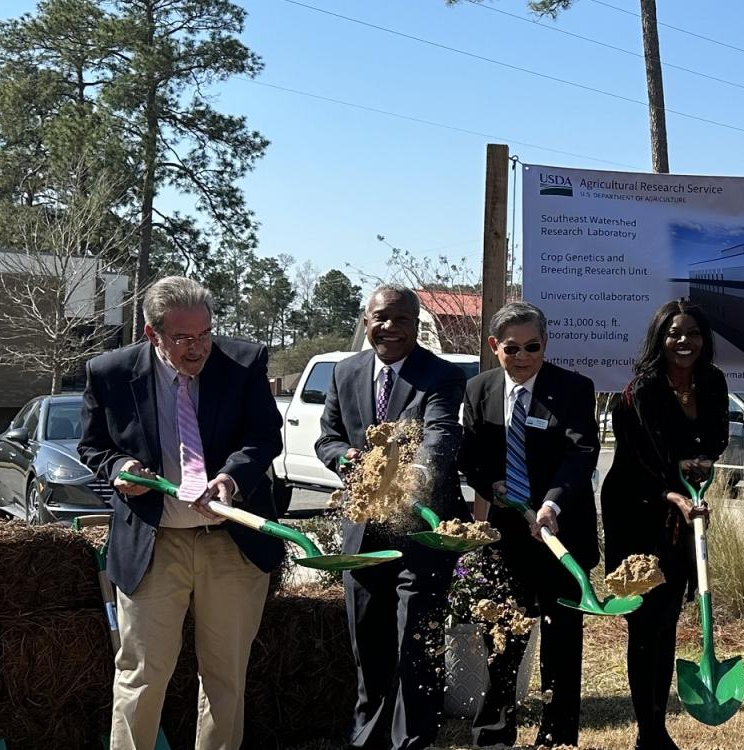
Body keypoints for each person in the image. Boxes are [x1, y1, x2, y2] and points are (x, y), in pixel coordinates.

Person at [76, 276, 284, 750]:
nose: (198, 349)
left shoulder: (243, 363)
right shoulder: (110, 372)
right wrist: (119, 468)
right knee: (142, 674)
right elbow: (93, 447)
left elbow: (263, 437)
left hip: (231, 546)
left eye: (205, 334)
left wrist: (230, 478)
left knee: (224, 675)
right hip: (154, 543)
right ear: (152, 334)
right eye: (183, 338)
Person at [315, 285, 468, 750]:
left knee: (416, 646)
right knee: (369, 644)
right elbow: (328, 439)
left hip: (420, 533)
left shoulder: (440, 376)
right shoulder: (345, 372)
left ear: (416, 324)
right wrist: (350, 462)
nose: (390, 327)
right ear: (366, 321)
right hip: (362, 535)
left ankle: (413, 741)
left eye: (402, 319)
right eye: (381, 317)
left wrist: (411, 474)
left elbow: (440, 435)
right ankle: (367, 739)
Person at [457, 301, 600, 747]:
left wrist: (552, 505)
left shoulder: (573, 388)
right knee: (502, 633)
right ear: (494, 346)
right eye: (512, 348)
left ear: (545, 344)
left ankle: (557, 735)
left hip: (560, 531)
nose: (522, 357)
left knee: (561, 639)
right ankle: (495, 730)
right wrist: (490, 482)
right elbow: (470, 458)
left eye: (532, 347)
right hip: (507, 537)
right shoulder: (479, 389)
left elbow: (581, 453)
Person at [602, 299, 729, 750]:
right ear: (660, 338)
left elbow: (716, 437)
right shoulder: (640, 393)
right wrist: (674, 492)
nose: (683, 341)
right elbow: (639, 464)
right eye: (674, 334)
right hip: (637, 511)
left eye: (692, 333)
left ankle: (656, 726)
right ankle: (649, 731)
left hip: (681, 514)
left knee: (669, 618)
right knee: (645, 620)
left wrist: (702, 464)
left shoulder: (712, 382)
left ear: (704, 340)